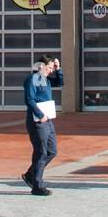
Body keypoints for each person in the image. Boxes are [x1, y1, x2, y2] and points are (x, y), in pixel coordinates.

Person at [22, 54, 63, 196]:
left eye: (52, 68)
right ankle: (37, 186)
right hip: (38, 121)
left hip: (48, 120)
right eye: (50, 67)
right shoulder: (32, 79)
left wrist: (59, 69)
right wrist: (40, 115)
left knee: (52, 151)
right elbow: (29, 100)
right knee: (41, 152)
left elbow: (60, 82)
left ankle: (30, 175)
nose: (51, 70)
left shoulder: (45, 79)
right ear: (42, 66)